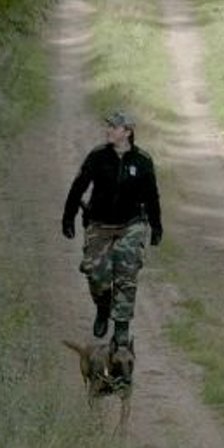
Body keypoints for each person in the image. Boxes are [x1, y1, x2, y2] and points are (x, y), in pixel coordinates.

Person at [60, 109, 163, 346]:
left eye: (114, 127)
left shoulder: (142, 161)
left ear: (127, 132)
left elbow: (152, 196)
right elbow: (79, 187)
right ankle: (103, 308)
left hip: (131, 225)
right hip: (99, 224)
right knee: (96, 275)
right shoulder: (97, 157)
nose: (108, 130)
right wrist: (69, 216)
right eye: (108, 126)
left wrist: (156, 226)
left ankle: (122, 328)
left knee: (126, 277)